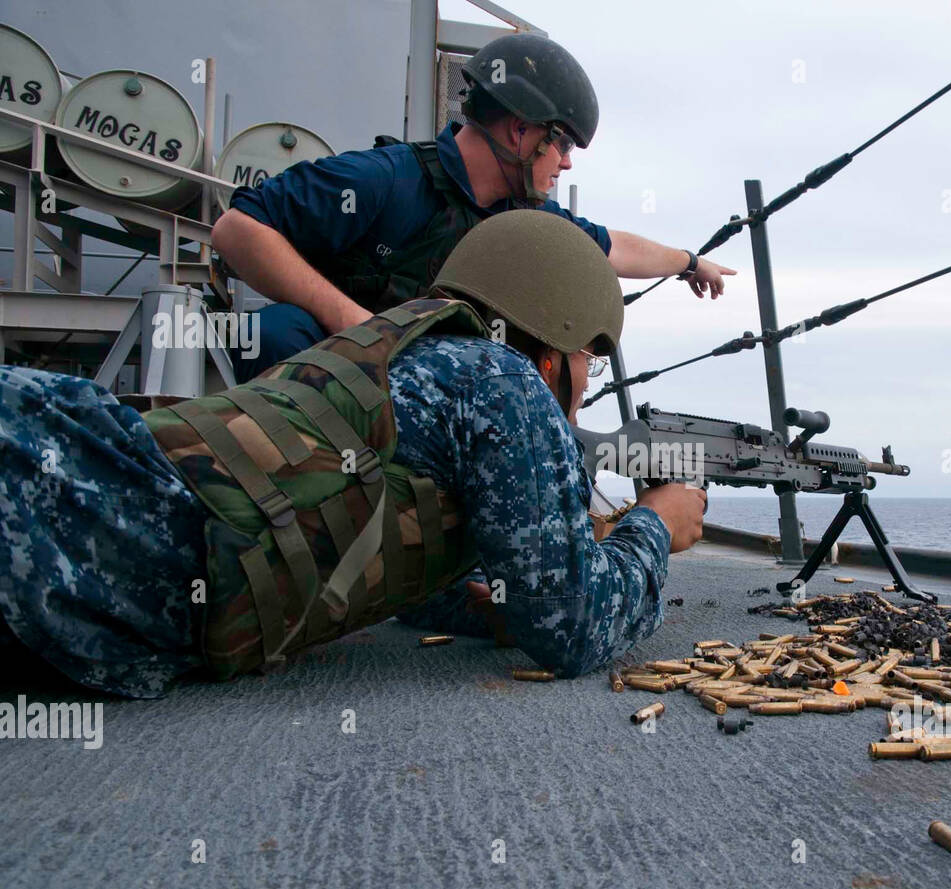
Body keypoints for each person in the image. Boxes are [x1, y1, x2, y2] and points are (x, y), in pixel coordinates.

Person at [0, 210, 707, 698]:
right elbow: (574, 630)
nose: (585, 384)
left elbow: (382, 567)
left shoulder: (399, 360)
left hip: (75, 504)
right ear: (552, 351)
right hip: (74, 505)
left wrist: (496, 605)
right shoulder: (505, 379)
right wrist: (657, 524)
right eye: (589, 359)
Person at [211, 33, 735, 382]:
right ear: (521, 129)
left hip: (418, 389)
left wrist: (689, 262)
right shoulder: (383, 179)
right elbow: (236, 230)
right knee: (274, 332)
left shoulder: (521, 222)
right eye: (564, 145)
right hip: (333, 376)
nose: (567, 165)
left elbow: (611, 248)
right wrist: (354, 322)